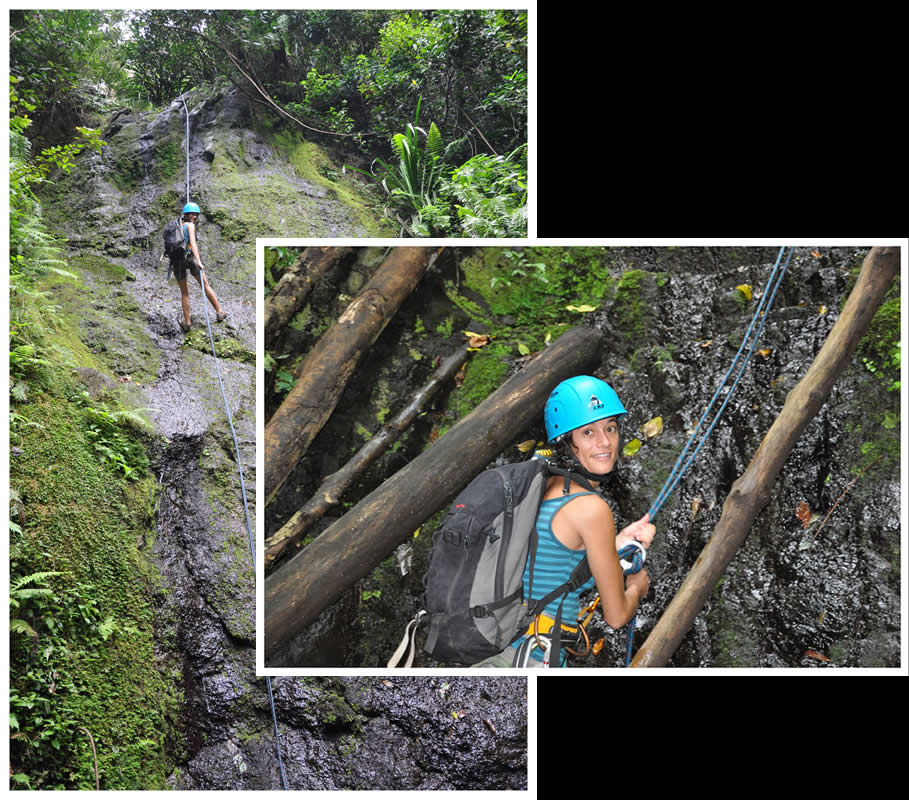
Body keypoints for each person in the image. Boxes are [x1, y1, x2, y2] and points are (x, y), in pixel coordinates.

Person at [478, 375, 655, 667]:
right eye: (588, 432)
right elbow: (617, 615)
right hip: (530, 660)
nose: (605, 442)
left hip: (493, 650)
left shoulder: (540, 486)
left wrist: (617, 544)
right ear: (565, 441)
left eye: (610, 427)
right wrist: (637, 587)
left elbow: (552, 571)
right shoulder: (591, 509)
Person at [175, 202, 227, 332]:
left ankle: (187, 323)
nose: (194, 217)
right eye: (192, 214)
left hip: (177, 261)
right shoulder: (190, 226)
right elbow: (193, 244)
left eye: (195, 215)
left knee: (184, 292)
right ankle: (219, 312)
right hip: (189, 259)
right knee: (205, 285)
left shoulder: (177, 226)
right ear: (187, 215)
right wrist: (199, 261)